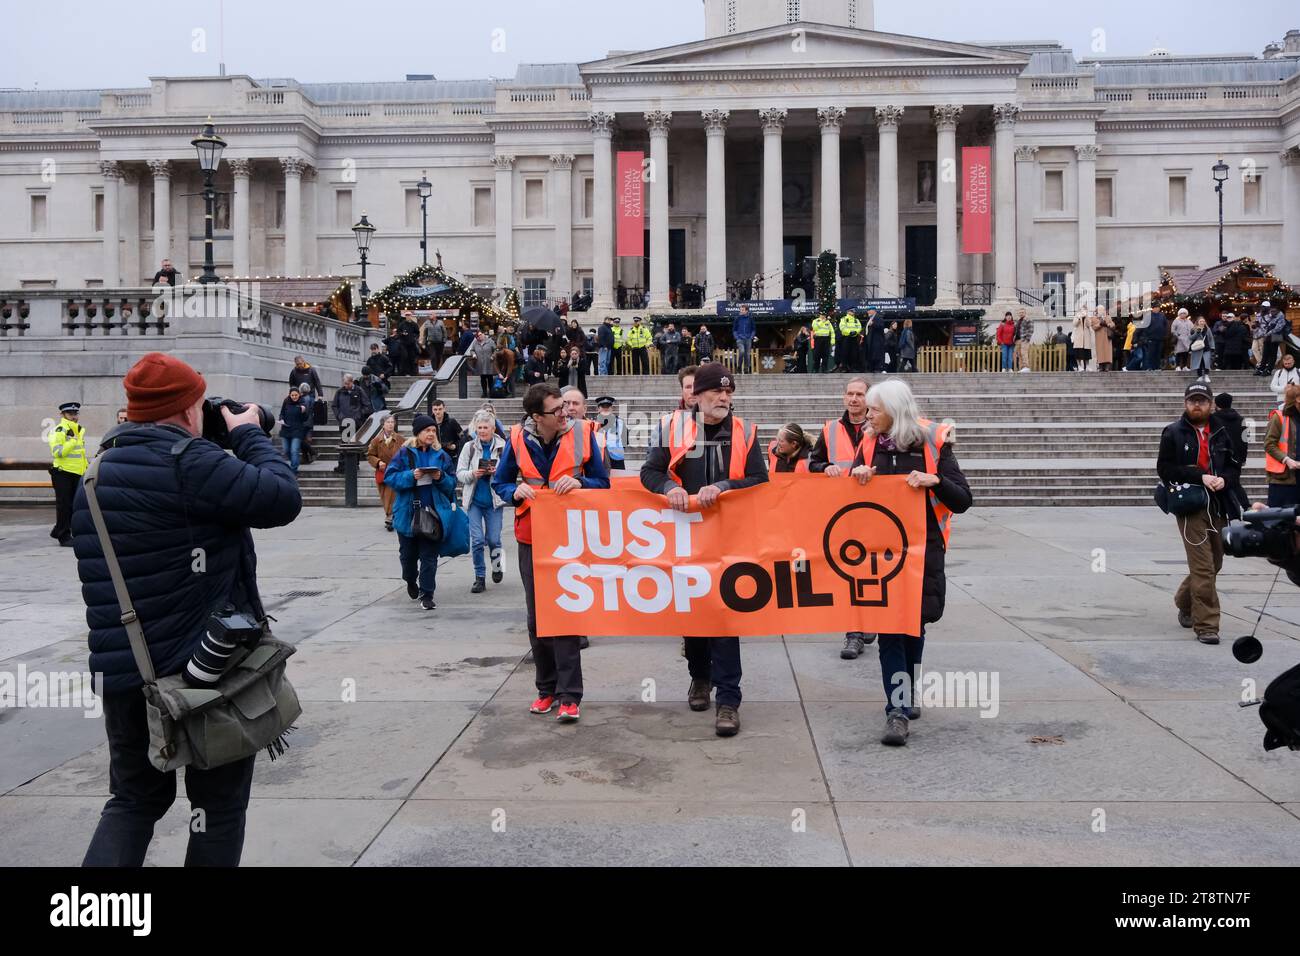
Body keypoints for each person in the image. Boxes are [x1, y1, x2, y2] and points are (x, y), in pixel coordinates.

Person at [74, 351, 300, 867]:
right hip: (203, 674)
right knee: (217, 808)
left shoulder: (95, 474)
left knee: (133, 801)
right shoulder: (192, 465)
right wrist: (246, 433)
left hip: (124, 672)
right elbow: (281, 497)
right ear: (185, 410)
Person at [640, 362, 767, 737]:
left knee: (725, 620)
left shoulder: (745, 431)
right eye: (717, 393)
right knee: (694, 617)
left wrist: (726, 485)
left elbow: (760, 479)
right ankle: (700, 678)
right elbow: (650, 472)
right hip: (688, 538)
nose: (724, 399)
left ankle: (729, 699)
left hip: (730, 540)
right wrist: (669, 489)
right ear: (697, 397)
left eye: (729, 393)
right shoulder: (673, 429)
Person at [850, 378, 972, 746]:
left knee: (914, 626)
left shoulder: (933, 443)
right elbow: (848, 500)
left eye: (874, 409)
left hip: (923, 550)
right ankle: (897, 711)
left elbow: (963, 499)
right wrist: (859, 478)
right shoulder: (869, 443)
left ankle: (907, 690)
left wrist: (934, 480)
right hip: (882, 553)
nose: (867, 414)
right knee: (890, 628)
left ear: (894, 411)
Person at [494, 384, 610, 723]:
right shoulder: (517, 437)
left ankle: (570, 695)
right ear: (536, 417)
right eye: (556, 410)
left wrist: (581, 484)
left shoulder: (584, 434)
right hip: (531, 536)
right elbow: (499, 484)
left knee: (566, 616)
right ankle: (546, 690)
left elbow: (603, 483)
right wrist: (514, 490)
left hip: (570, 538)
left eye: (566, 407)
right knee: (537, 618)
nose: (565, 413)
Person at [1156, 382, 1233, 645]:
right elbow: (1165, 469)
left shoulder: (1223, 431)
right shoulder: (1173, 433)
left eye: (1202, 400)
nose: (1197, 405)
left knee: (1216, 563)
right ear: (1185, 403)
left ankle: (1183, 600)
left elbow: (1234, 466)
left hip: (1219, 503)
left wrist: (1224, 479)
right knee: (1203, 566)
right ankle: (1207, 625)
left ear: (1211, 404)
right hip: (1190, 505)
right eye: (1192, 401)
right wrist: (1201, 476)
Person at [810, 377, 876, 660]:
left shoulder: (882, 428)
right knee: (851, 573)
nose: (854, 399)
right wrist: (825, 467)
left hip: (876, 512)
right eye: (849, 393)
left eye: (859, 394)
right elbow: (813, 462)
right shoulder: (831, 430)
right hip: (843, 514)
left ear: (868, 399)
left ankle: (871, 620)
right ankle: (854, 633)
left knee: (873, 572)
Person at [385, 413, 455, 610]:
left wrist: (441, 476)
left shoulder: (441, 455)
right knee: (408, 557)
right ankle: (410, 580)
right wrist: (410, 476)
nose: (431, 434)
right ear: (418, 433)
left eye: (433, 430)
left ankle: (427, 593)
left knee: (429, 557)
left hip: (432, 514)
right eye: (427, 430)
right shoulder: (404, 453)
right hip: (408, 513)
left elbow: (451, 484)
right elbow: (390, 478)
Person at [457, 411, 507, 594]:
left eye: (486, 427)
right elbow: (460, 472)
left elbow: (510, 472)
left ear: (493, 429)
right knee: (477, 541)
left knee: (494, 539)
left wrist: (496, 472)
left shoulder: (503, 446)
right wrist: (472, 474)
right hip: (474, 501)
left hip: (495, 501)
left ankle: (497, 565)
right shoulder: (469, 447)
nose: (482, 431)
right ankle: (480, 577)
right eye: (479, 428)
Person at [48, 401, 87, 546]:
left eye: (75, 413)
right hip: (62, 473)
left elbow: (80, 454)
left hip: (77, 472)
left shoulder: (78, 429)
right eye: (70, 414)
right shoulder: (59, 430)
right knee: (64, 505)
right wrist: (72, 442)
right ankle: (63, 536)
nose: (74, 416)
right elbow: (57, 452)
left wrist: (85, 468)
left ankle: (59, 530)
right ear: (62, 415)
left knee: (74, 505)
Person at [1264, 383, 1300, 509]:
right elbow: (1269, 444)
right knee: (1281, 522)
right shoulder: (1279, 417)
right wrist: (1287, 460)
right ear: (1297, 400)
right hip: (1284, 480)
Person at [366, 414, 403, 532]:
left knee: (392, 494)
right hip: (382, 472)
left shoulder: (401, 439)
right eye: (388, 422)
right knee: (384, 495)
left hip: (396, 472)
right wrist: (378, 462)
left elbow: (406, 454)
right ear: (383, 425)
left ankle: (390, 516)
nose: (391, 424)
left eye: (392, 422)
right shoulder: (376, 441)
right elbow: (370, 455)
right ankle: (390, 514)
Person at [1215, 393, 1250, 517]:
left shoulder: (1213, 419)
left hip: (1219, 458)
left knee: (1222, 483)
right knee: (1235, 483)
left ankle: (1228, 510)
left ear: (1217, 405)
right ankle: (1245, 507)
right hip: (1236, 458)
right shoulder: (1241, 419)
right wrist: (1243, 458)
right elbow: (1245, 440)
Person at [277, 386, 311, 473]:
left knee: (294, 450)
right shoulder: (286, 402)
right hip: (286, 429)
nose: (294, 397)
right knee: (286, 450)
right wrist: (281, 419)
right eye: (292, 395)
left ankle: (293, 470)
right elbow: (282, 413)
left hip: (297, 430)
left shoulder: (302, 403)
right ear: (289, 395)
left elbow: (305, 418)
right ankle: (294, 463)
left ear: (299, 395)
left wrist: (304, 412)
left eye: (296, 395)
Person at [593, 395, 626, 470]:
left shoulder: (620, 423)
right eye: (603, 407)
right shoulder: (592, 423)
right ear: (598, 409)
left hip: (617, 460)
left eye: (608, 406)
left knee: (619, 480)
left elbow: (625, 441)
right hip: (599, 459)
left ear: (612, 408)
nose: (606, 409)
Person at [1256, 301, 1287, 377]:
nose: (1272, 312)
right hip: (1268, 336)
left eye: (1273, 311)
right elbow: (1265, 324)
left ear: (1277, 310)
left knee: (1273, 354)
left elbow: (1278, 328)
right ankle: (1261, 368)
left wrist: (1268, 333)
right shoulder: (1271, 315)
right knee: (1265, 353)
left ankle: (1269, 370)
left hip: (1276, 336)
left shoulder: (1280, 316)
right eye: (1271, 310)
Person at [363, 343, 394, 413]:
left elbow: (390, 367)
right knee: (376, 396)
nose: (373, 351)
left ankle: (383, 408)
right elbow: (367, 369)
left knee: (380, 395)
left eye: (374, 349)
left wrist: (384, 374)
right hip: (373, 382)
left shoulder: (384, 358)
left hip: (382, 381)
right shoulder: (370, 360)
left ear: (378, 349)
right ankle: (381, 409)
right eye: (372, 349)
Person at [466, 329, 495, 398]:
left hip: (489, 362)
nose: (479, 337)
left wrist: (493, 356)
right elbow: (472, 350)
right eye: (477, 336)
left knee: (490, 378)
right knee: (483, 378)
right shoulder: (475, 342)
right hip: (480, 363)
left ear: (483, 334)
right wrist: (473, 354)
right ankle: (484, 392)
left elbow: (496, 350)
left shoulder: (490, 341)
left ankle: (491, 392)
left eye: (480, 335)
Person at [1189, 316, 1214, 382]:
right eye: (1200, 321)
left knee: (1206, 362)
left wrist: (1212, 347)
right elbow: (1191, 338)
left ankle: (1206, 375)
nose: (1202, 322)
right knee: (1198, 363)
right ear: (1198, 322)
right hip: (1198, 349)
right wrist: (1197, 332)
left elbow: (1211, 338)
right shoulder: (1194, 329)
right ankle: (1199, 376)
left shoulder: (1208, 329)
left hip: (1206, 348)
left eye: (1203, 321)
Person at [1092, 306, 1116, 372]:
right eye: (1100, 310)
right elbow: (1093, 327)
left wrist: (1108, 324)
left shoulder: (1108, 317)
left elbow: (1113, 324)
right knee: (1100, 352)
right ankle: (1101, 367)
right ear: (1097, 311)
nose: (1102, 311)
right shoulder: (1094, 318)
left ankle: (1107, 367)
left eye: (1102, 310)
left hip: (1107, 337)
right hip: (1099, 338)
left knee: (1107, 352)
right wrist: (1100, 324)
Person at [1071, 306, 1095, 372]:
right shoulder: (1077, 316)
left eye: (1085, 310)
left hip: (1086, 337)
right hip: (1079, 337)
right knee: (1078, 352)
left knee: (1086, 352)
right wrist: (1079, 318)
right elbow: (1074, 324)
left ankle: (1087, 366)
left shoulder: (1087, 316)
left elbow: (1089, 324)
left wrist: (1086, 316)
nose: (1084, 311)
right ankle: (1079, 366)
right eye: (1083, 309)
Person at [734, 305, 756, 374]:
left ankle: (746, 369)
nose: (741, 311)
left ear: (746, 311)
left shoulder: (750, 318)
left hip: (748, 339)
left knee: (747, 354)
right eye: (740, 309)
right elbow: (734, 329)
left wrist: (751, 337)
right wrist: (737, 337)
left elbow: (753, 329)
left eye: (742, 310)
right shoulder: (737, 318)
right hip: (740, 339)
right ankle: (739, 367)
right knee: (742, 352)